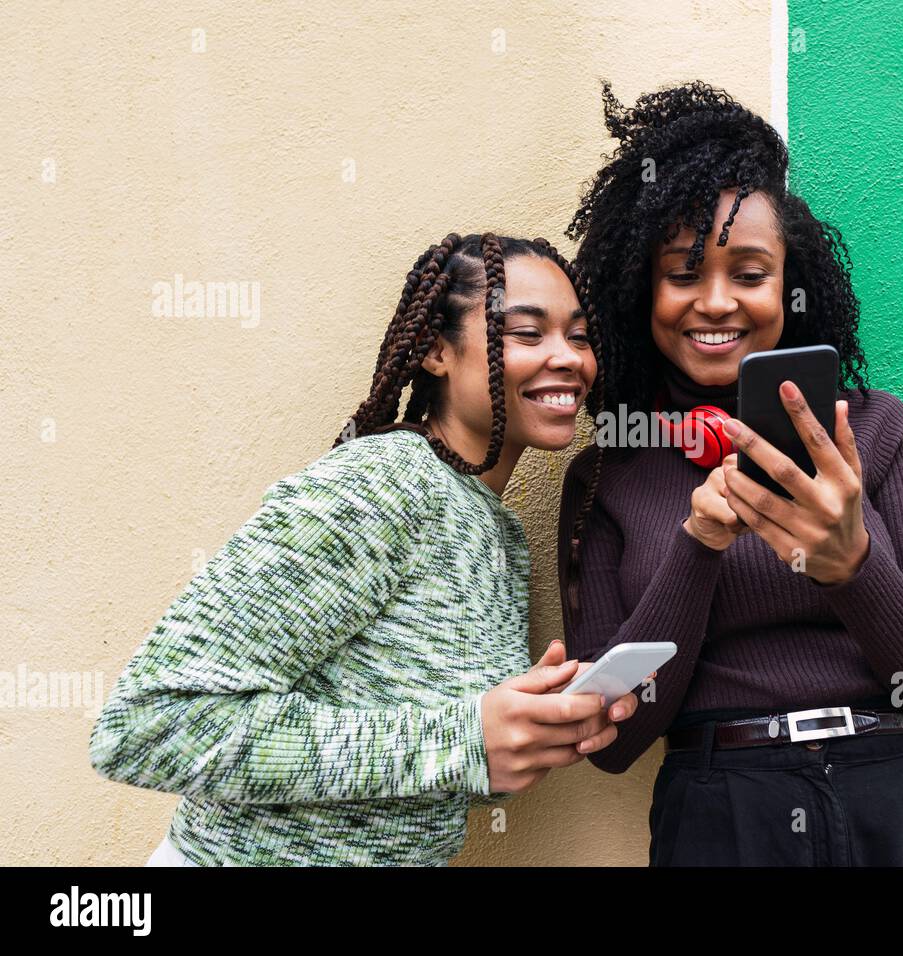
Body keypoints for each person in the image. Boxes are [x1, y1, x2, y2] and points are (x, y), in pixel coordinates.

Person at [90, 232, 639, 866]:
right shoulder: (381, 484)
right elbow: (147, 727)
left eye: (578, 335)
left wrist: (520, 736)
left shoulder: (501, 534)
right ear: (436, 349)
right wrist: (463, 735)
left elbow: (423, 768)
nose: (568, 357)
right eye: (527, 333)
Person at [558, 82, 903, 866]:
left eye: (749, 274)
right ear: (639, 290)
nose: (715, 302)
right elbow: (614, 744)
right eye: (682, 273)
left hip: (898, 799)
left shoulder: (873, 431)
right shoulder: (606, 475)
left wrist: (850, 565)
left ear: (791, 288)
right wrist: (698, 542)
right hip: (723, 817)